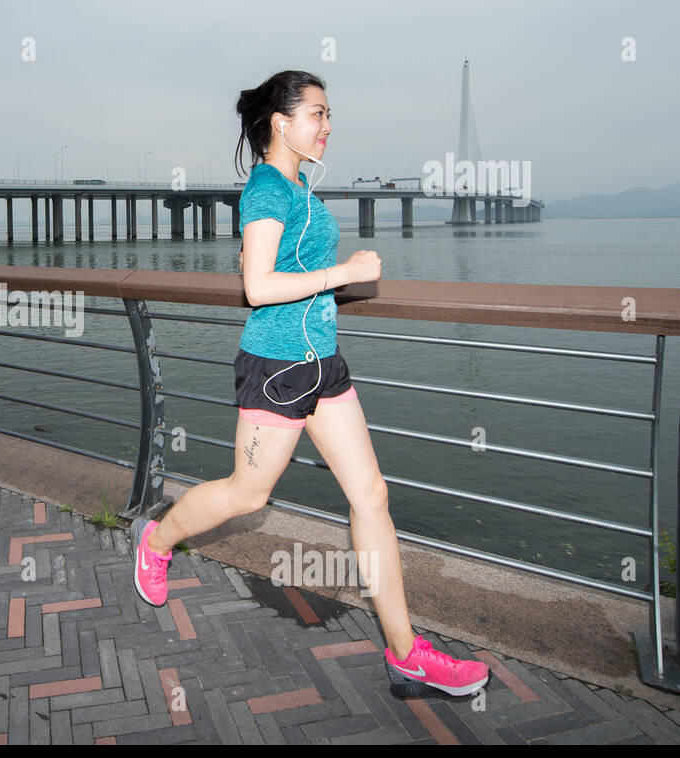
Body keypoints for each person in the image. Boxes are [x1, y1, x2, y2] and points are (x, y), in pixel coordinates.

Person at [131, 70, 490, 700]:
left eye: (329, 115)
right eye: (318, 113)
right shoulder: (268, 187)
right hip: (276, 370)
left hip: (323, 363)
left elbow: (271, 266)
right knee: (248, 495)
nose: (328, 126)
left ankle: (407, 655)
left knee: (372, 496)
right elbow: (259, 288)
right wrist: (343, 271)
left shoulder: (300, 186)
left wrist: (336, 278)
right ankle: (156, 540)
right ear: (281, 121)